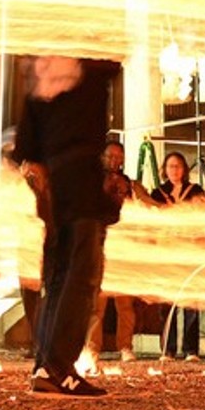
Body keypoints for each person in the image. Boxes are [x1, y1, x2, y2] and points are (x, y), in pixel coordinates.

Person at [13, 56, 122, 397]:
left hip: (54, 186)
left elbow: (25, 145)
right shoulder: (88, 68)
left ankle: (46, 365)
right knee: (81, 275)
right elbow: (113, 63)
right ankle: (58, 367)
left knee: (59, 278)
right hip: (81, 179)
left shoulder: (39, 74)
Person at [82, 141, 138, 373]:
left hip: (123, 248)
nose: (115, 160)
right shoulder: (93, 181)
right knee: (97, 305)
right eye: (111, 156)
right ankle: (92, 348)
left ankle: (125, 346)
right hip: (101, 247)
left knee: (125, 304)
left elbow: (134, 210)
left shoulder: (128, 183)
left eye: (119, 156)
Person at [152, 151, 205, 361]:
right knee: (167, 303)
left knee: (191, 302)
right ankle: (168, 348)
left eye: (178, 166)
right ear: (165, 170)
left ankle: (191, 349)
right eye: (170, 166)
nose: (174, 170)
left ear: (184, 169)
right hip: (167, 252)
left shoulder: (195, 191)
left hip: (190, 251)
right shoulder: (157, 193)